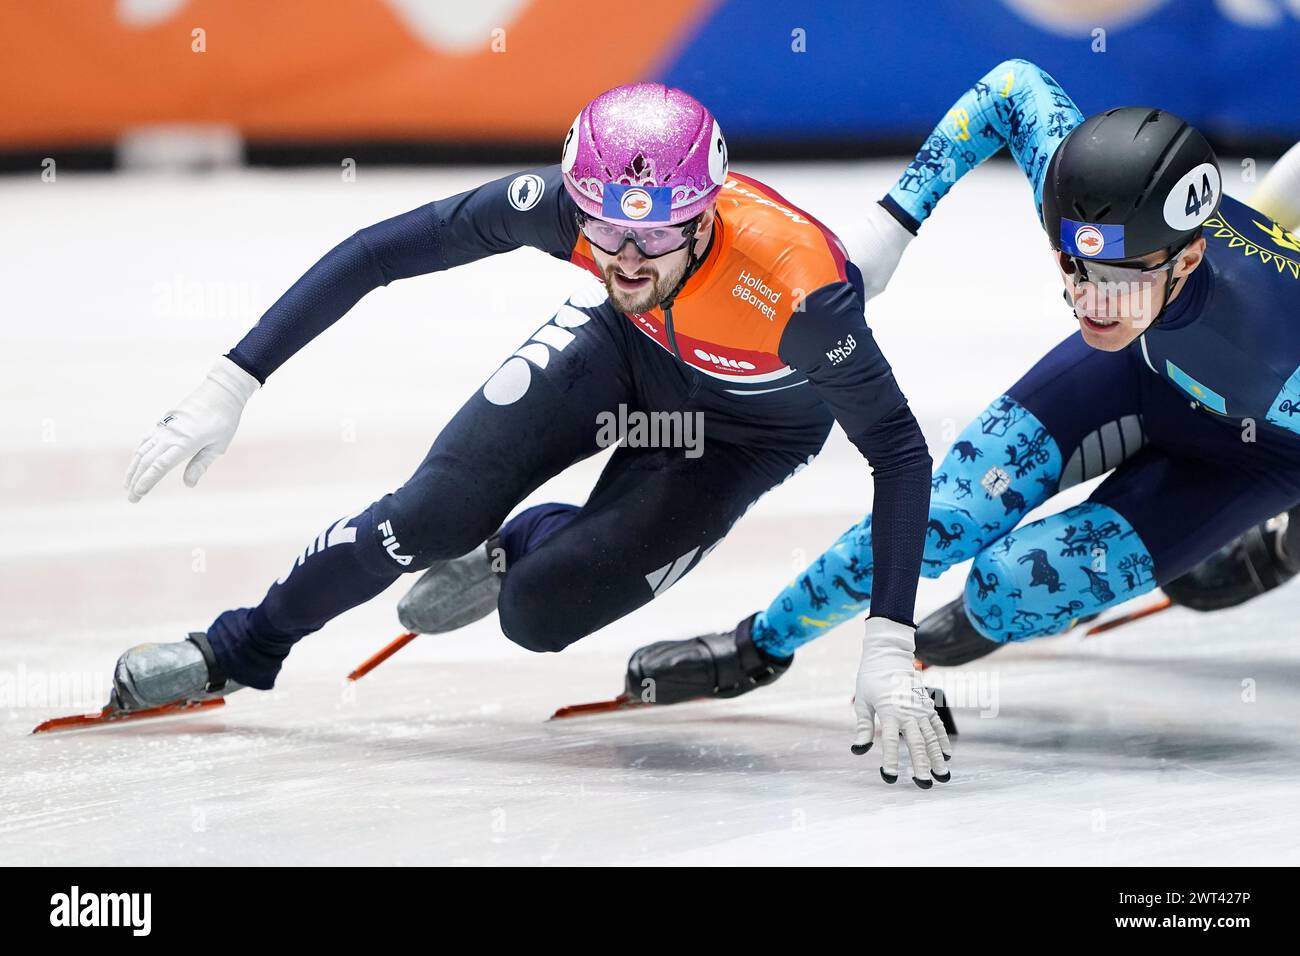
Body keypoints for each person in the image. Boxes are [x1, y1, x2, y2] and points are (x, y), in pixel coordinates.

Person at [111, 82, 950, 785]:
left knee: (538, 616)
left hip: (744, 432)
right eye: (604, 226)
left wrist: (886, 644)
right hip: (623, 351)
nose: (625, 259)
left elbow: (901, 456)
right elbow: (377, 253)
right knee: (429, 517)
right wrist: (235, 378)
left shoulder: (801, 295)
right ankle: (239, 646)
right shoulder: (566, 215)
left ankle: (522, 547)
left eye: (656, 233)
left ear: (705, 216)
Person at [631, 60, 1300, 722]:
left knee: (1009, 590)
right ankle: (756, 645)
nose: (1090, 300)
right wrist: (893, 225)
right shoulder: (1095, 208)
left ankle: (1273, 547)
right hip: (1139, 372)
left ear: (1187, 257)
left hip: (1257, 453)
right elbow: (1012, 88)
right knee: (945, 516)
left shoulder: (1268, 345)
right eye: (1072, 265)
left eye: (1118, 277)